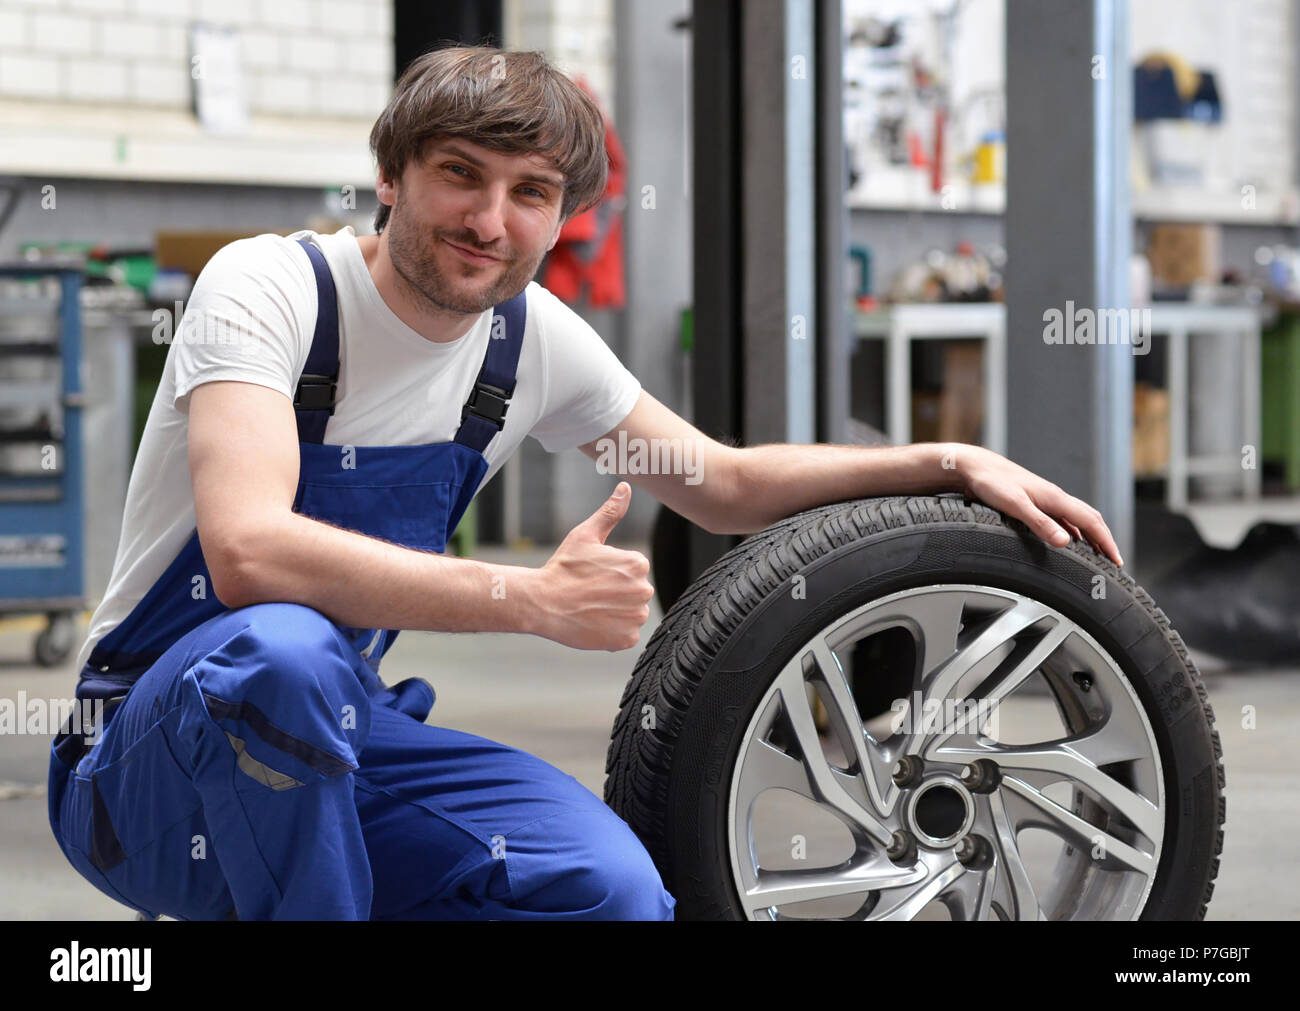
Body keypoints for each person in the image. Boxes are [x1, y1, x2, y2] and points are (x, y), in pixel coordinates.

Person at [47, 45, 1122, 922]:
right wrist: (529, 600)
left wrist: (942, 461)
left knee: (604, 894)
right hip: (139, 762)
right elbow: (249, 555)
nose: (489, 222)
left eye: (531, 195)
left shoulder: (528, 346)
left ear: (563, 216)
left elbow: (725, 484)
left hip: (336, 736)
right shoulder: (272, 287)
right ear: (392, 175)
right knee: (280, 653)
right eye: (459, 175)